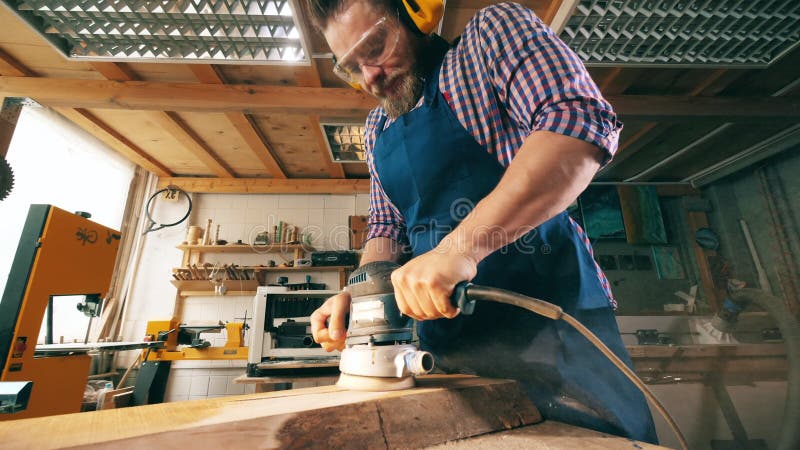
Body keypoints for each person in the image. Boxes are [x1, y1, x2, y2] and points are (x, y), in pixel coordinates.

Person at [306, 0, 658, 443]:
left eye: (375, 47)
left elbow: (577, 122)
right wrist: (360, 297)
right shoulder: (377, 129)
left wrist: (459, 249)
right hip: (449, 351)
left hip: (554, 326)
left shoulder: (488, 38)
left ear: (417, 12)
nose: (370, 76)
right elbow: (385, 229)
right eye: (352, 68)